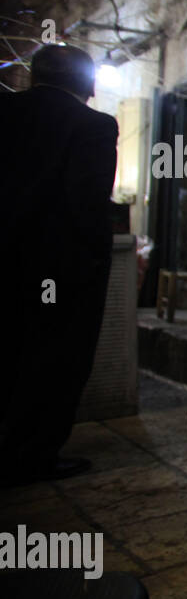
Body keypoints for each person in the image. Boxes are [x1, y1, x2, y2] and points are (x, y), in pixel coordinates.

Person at [0, 44, 119, 485]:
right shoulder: (93, 125)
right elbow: (87, 204)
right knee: (55, 362)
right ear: (86, 81)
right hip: (60, 268)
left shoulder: (7, 112)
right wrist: (96, 260)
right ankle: (32, 456)